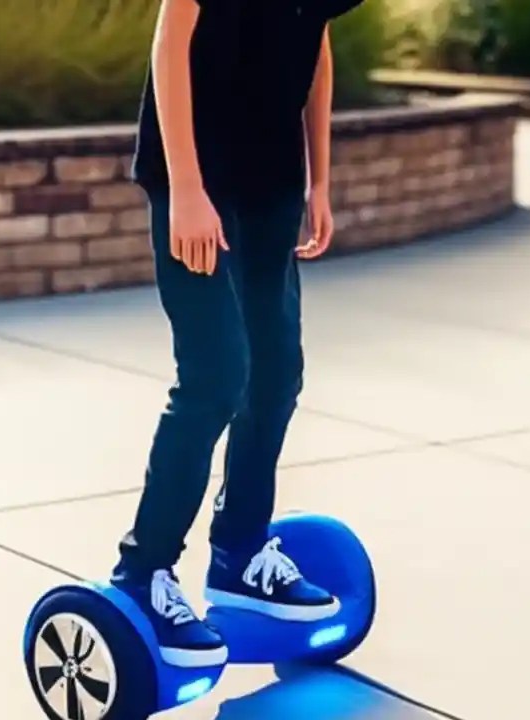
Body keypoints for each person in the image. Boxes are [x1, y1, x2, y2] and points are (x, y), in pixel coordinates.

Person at [114, 0, 364, 668]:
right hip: (196, 177)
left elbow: (315, 43)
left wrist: (320, 181)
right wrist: (186, 189)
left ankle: (240, 549)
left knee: (277, 372)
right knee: (216, 376)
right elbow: (172, 38)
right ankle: (144, 571)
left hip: (272, 184)